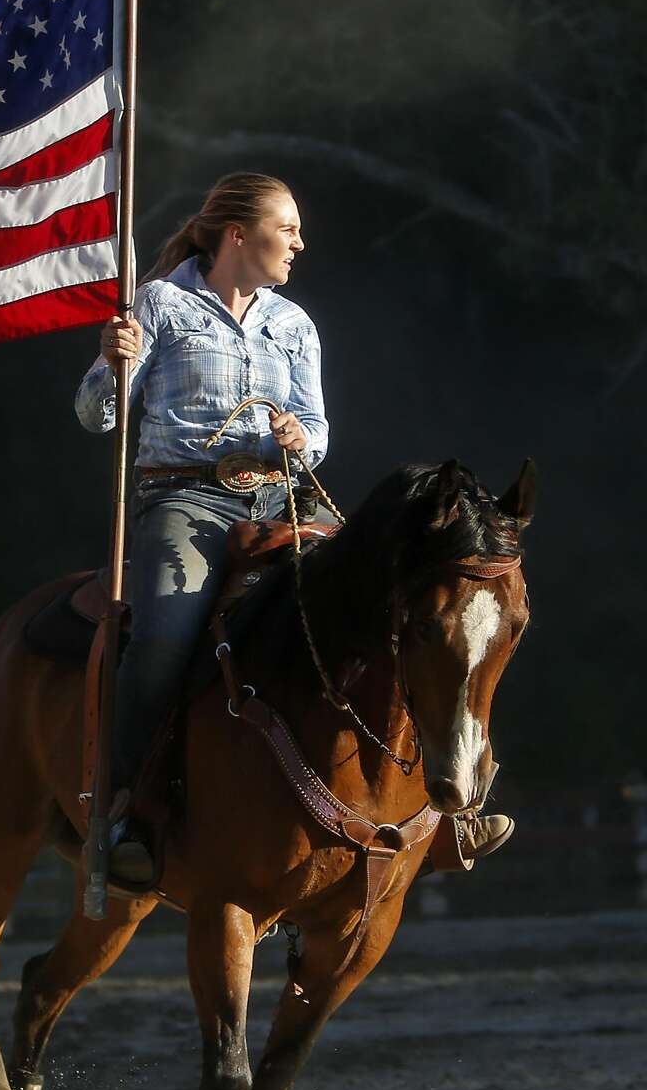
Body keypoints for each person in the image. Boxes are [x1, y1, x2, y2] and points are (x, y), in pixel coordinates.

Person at [75, 171, 513, 882]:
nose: (300, 244)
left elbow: (318, 429)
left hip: (283, 499)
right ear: (237, 236)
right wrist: (111, 368)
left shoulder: (293, 324)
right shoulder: (159, 304)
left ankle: (436, 811)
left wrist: (299, 438)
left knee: (392, 610)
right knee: (162, 637)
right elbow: (95, 415)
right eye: (288, 230)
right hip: (186, 503)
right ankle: (129, 812)